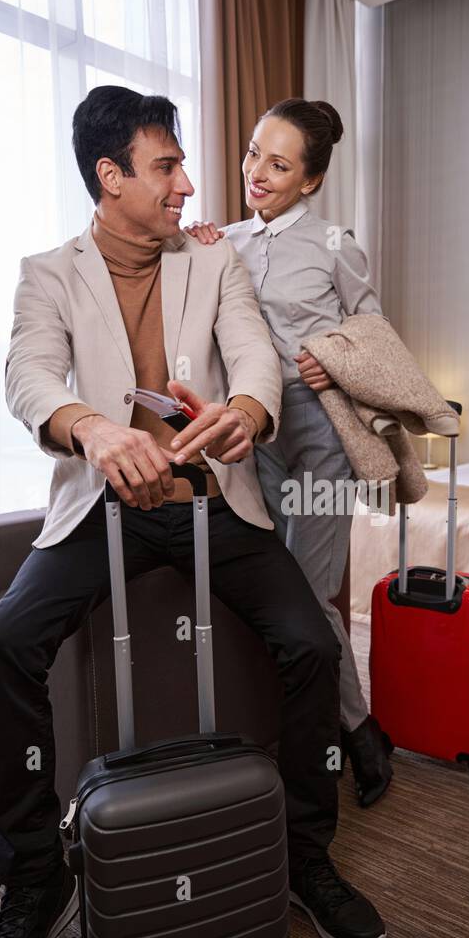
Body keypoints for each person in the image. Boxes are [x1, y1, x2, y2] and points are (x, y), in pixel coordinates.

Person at [0, 86, 387, 938]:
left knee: (312, 643)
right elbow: (29, 375)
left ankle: (307, 857)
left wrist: (250, 413)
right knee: (6, 644)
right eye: (166, 167)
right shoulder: (48, 273)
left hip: (206, 500)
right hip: (98, 501)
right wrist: (93, 428)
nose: (191, 184)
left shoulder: (212, 258)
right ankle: (30, 887)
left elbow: (255, 357)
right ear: (110, 178)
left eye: (186, 166)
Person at [187, 98, 394, 808]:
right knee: (280, 585)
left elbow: (370, 329)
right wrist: (195, 243)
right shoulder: (224, 241)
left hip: (324, 427)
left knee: (308, 588)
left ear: (309, 180)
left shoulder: (336, 241)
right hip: (258, 427)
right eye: (252, 154)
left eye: (278, 163)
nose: (257, 171)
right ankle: (337, 730)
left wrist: (332, 359)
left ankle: (358, 731)